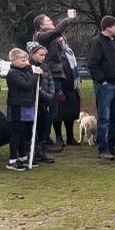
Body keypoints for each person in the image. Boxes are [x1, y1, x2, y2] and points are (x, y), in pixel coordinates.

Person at [32, 9, 76, 151]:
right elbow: (55, 32)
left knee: (54, 111)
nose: (52, 22)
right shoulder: (40, 36)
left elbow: (57, 39)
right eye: (48, 21)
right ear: (41, 25)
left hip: (56, 74)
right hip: (49, 74)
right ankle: (43, 141)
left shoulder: (51, 37)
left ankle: (45, 140)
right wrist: (68, 19)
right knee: (49, 110)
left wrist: (61, 42)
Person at [86, 15, 115, 160]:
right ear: (108, 27)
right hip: (105, 85)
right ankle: (103, 148)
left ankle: (112, 145)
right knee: (104, 118)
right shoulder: (96, 42)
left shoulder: (112, 42)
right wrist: (102, 81)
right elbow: (92, 64)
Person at [5, 48, 39, 171]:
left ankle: (23, 157)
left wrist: (31, 70)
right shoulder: (13, 73)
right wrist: (35, 75)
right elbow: (27, 85)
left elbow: (31, 80)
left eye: (26, 60)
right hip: (17, 106)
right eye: (22, 60)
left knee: (24, 132)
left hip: (27, 105)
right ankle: (12, 160)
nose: (25, 62)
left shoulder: (25, 71)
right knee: (17, 132)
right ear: (14, 60)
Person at [27, 42, 56, 164]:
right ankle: (30, 151)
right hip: (32, 103)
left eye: (44, 55)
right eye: (40, 55)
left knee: (44, 126)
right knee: (32, 127)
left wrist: (48, 96)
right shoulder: (28, 66)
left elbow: (50, 82)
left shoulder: (45, 66)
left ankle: (41, 150)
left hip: (44, 102)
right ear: (32, 54)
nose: (43, 57)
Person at [54, 36, 82, 146]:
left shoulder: (69, 52)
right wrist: (59, 91)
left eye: (63, 40)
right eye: (59, 41)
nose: (61, 42)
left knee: (70, 114)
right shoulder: (55, 55)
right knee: (58, 115)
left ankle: (70, 136)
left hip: (71, 88)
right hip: (60, 88)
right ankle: (58, 137)